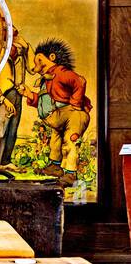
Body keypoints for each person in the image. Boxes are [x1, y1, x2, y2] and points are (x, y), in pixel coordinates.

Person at [21, 38, 90, 189]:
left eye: (40, 61)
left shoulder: (62, 73)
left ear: (52, 57)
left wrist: (75, 105)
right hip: (58, 116)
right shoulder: (46, 80)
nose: (37, 67)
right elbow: (45, 99)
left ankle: (71, 173)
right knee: (55, 143)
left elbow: (80, 82)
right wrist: (29, 95)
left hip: (72, 115)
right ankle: (55, 166)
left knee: (70, 142)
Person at [0, 29, 29, 171]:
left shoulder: (20, 56)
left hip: (17, 98)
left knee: (12, 132)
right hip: (2, 100)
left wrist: (26, 47)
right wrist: (3, 100)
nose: (15, 38)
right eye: (11, 36)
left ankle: (5, 162)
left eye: (15, 35)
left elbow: (33, 68)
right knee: (1, 134)